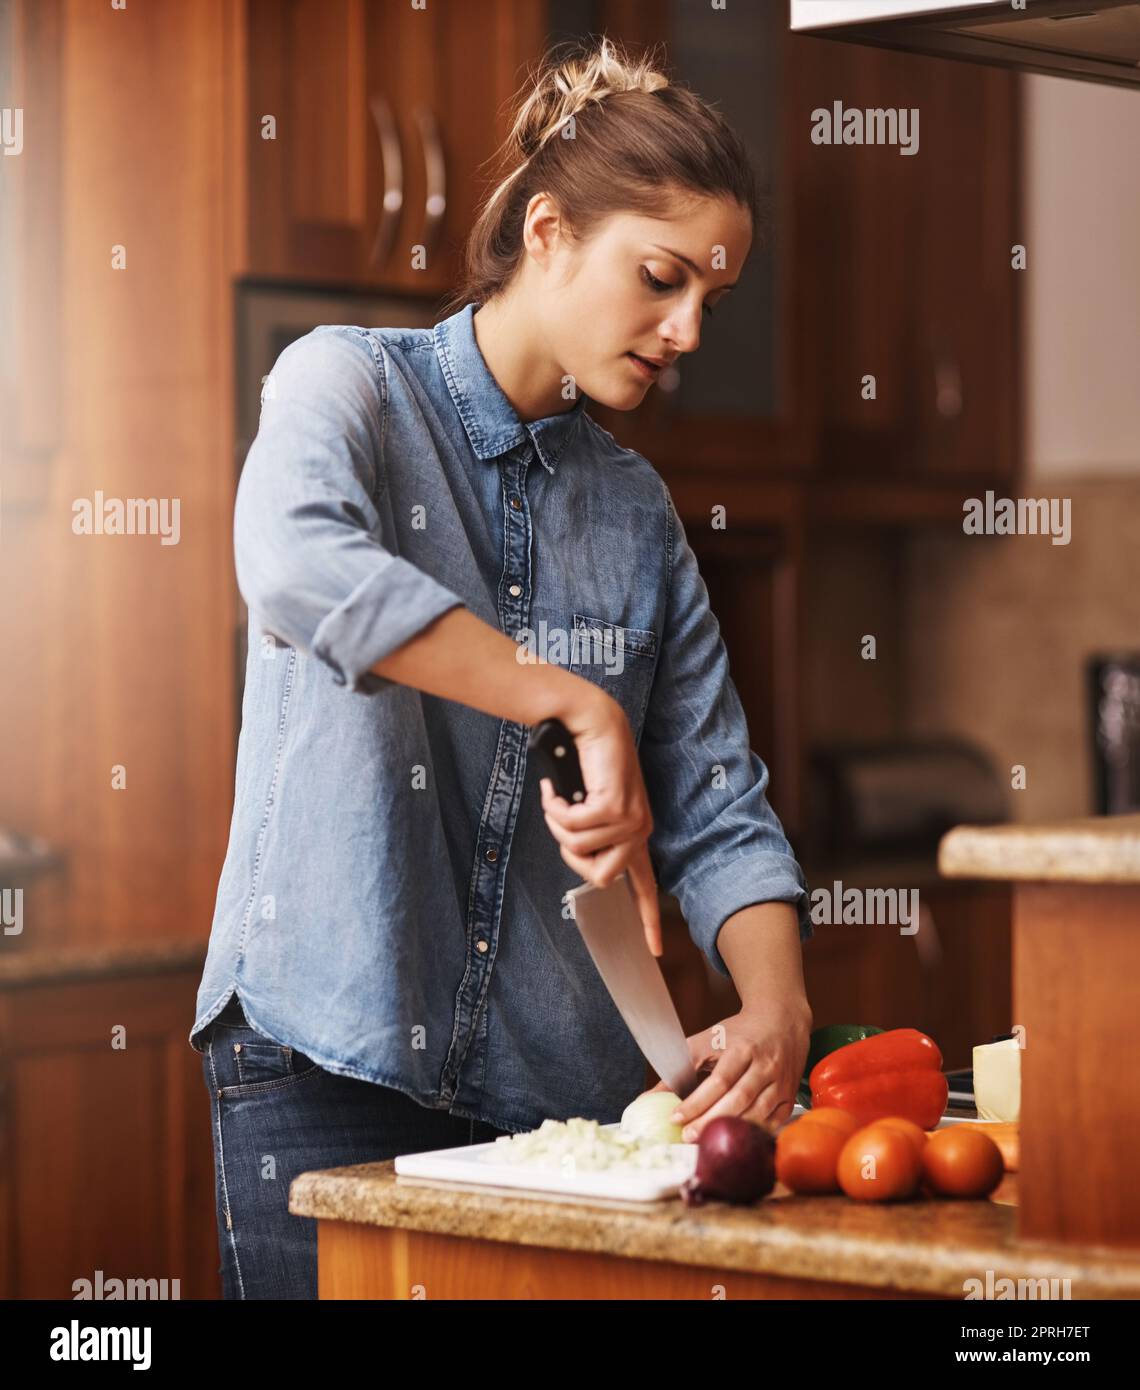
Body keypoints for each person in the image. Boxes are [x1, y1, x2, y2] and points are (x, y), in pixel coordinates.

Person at [190, 34, 813, 1301]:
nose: (687, 328)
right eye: (661, 277)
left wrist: (778, 1005)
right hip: (324, 1068)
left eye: (711, 296)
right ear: (547, 233)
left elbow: (716, 804)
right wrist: (562, 690)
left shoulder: (636, 512)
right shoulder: (345, 387)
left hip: (557, 1112)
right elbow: (297, 570)